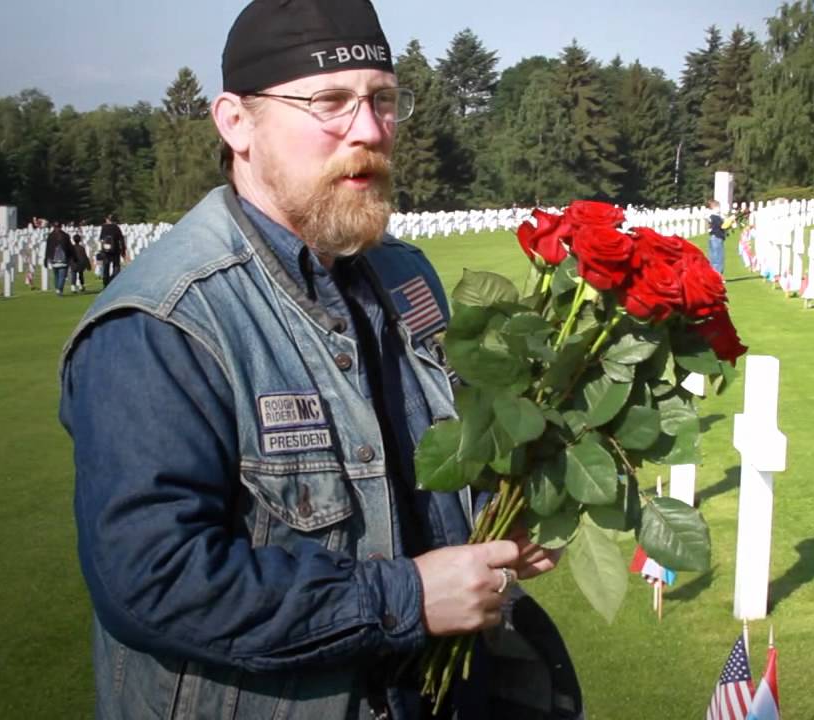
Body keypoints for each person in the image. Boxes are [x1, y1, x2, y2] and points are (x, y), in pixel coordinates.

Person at [58, 3, 579, 719]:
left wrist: (495, 516)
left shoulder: (406, 276)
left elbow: (431, 459)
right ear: (236, 123)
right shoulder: (165, 323)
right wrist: (407, 599)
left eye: (383, 100)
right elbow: (155, 579)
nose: (369, 130)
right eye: (330, 101)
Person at [44, 222, 74, 296]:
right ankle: (59, 289)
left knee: (56, 275)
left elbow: (48, 248)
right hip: (63, 259)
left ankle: (57, 288)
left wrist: (46, 258)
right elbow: (70, 248)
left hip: (54, 258)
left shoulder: (51, 236)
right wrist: (72, 257)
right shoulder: (65, 235)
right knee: (62, 276)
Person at [97, 214, 125, 285]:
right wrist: (123, 250)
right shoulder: (116, 227)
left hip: (106, 251)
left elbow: (101, 239)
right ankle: (115, 281)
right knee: (116, 266)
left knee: (106, 267)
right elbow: (121, 239)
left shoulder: (104, 227)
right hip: (115, 249)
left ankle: (106, 283)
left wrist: (101, 250)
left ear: (107, 219)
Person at [707, 198, 727, 275]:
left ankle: (713, 274)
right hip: (717, 238)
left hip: (713, 237)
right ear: (714, 207)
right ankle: (717, 275)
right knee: (718, 257)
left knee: (713, 257)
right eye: (718, 207)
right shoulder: (715, 217)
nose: (719, 209)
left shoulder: (712, 217)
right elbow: (722, 226)